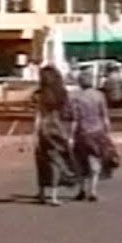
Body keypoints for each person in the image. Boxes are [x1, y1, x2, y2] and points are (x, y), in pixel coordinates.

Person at [31, 64, 77, 206]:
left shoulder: (38, 94)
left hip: (43, 129)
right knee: (56, 161)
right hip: (58, 128)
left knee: (41, 160)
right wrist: (70, 133)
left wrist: (34, 134)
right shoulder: (62, 93)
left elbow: (37, 115)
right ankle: (54, 195)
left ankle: (42, 193)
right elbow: (70, 114)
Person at [70, 78, 118, 201]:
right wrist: (108, 132)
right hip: (97, 132)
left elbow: (74, 119)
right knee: (95, 160)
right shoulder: (99, 96)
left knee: (80, 162)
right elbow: (105, 116)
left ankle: (82, 189)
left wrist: (70, 136)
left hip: (81, 133)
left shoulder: (77, 98)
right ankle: (93, 190)